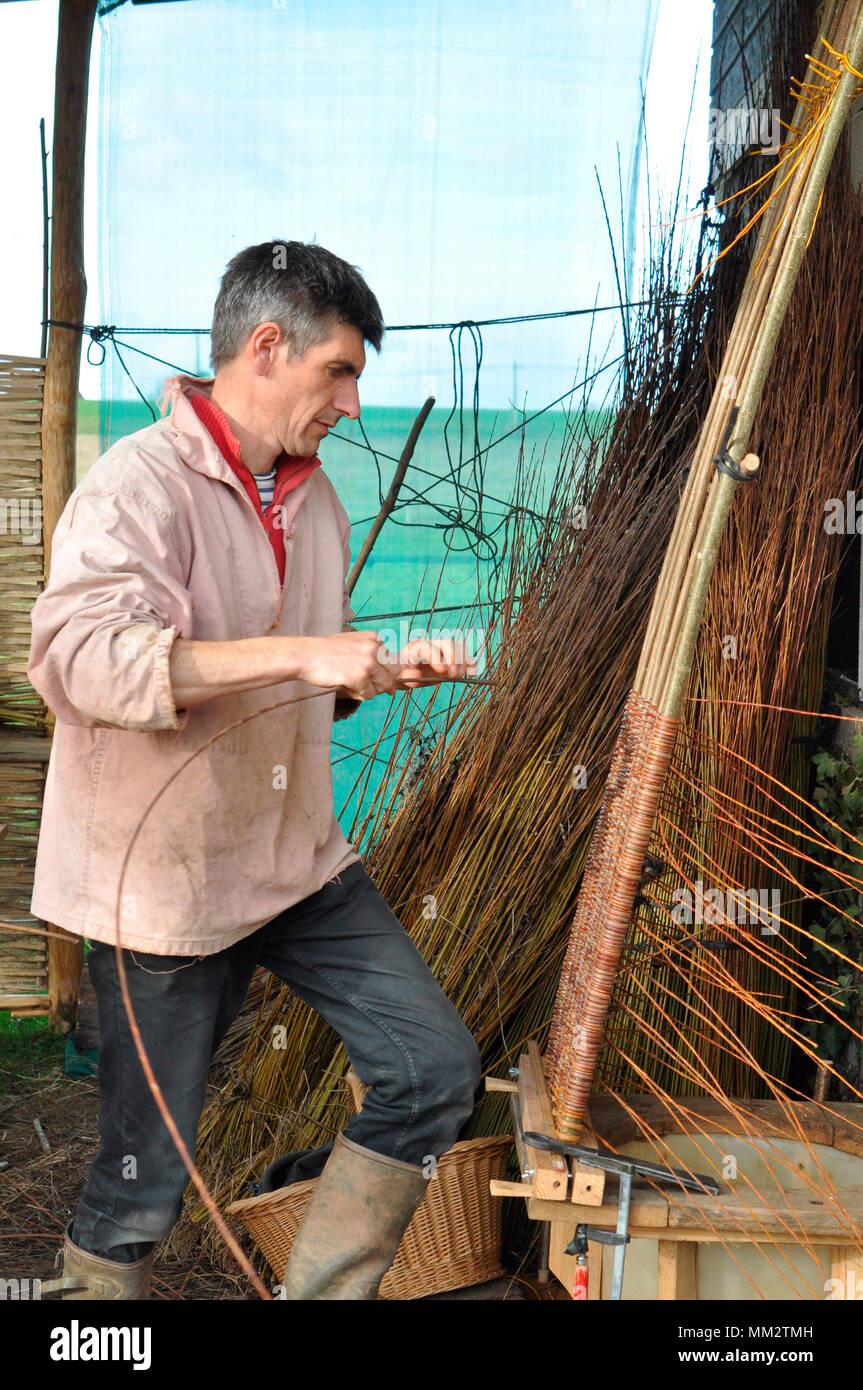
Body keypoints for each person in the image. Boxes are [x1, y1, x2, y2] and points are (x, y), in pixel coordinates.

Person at [29, 240, 482, 1300]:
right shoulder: (134, 487)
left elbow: (290, 679)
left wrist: (372, 670)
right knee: (144, 1184)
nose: (354, 405)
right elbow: (80, 659)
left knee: (430, 1067)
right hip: (166, 887)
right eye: (340, 372)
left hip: (292, 860)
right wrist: (301, 653)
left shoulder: (310, 496)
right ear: (266, 346)